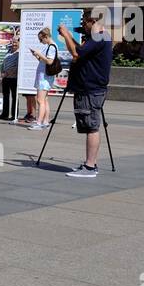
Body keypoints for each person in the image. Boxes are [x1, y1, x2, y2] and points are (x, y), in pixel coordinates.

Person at [58, 11, 113, 177]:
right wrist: (68, 37)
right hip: (88, 88)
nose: (83, 28)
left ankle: (89, 167)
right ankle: (90, 164)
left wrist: (67, 34)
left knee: (91, 127)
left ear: (91, 21)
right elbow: (80, 51)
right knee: (90, 125)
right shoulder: (99, 38)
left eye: (84, 24)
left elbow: (76, 54)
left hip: (91, 89)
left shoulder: (99, 37)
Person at [28, 27, 59, 130]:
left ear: (46, 37)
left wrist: (39, 54)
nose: (41, 42)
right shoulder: (49, 46)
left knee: (40, 100)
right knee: (44, 100)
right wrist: (36, 56)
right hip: (44, 76)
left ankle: (39, 122)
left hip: (44, 77)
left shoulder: (52, 47)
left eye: (41, 39)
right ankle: (45, 121)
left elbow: (50, 61)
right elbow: (44, 62)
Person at [0, 34, 19, 120]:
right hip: (5, 77)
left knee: (14, 97)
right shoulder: (9, 51)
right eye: (13, 42)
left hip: (14, 78)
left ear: (19, 43)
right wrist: (2, 73)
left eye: (16, 42)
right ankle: (5, 114)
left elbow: (16, 66)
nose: (14, 44)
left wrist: (7, 73)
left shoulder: (19, 53)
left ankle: (14, 115)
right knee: (5, 96)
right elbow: (4, 62)